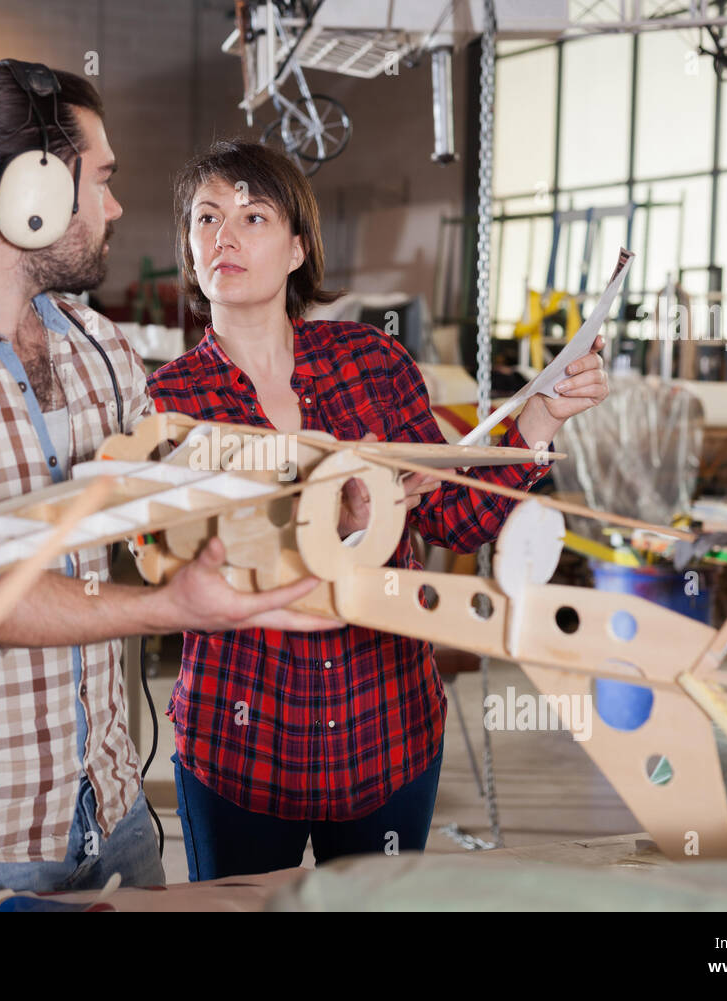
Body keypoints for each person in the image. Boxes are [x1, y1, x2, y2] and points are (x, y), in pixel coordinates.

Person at [0, 66, 334, 903]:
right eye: (103, 180)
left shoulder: (99, 345)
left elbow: (174, 490)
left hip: (115, 816)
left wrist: (312, 490)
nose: (117, 207)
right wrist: (173, 609)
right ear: (33, 190)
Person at [147, 140, 610, 880]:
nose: (223, 236)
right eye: (207, 217)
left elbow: (460, 520)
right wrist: (348, 517)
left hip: (386, 727)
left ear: (299, 248)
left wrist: (540, 424)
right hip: (244, 740)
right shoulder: (170, 403)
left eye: (253, 216)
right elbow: (183, 575)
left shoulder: (370, 362)